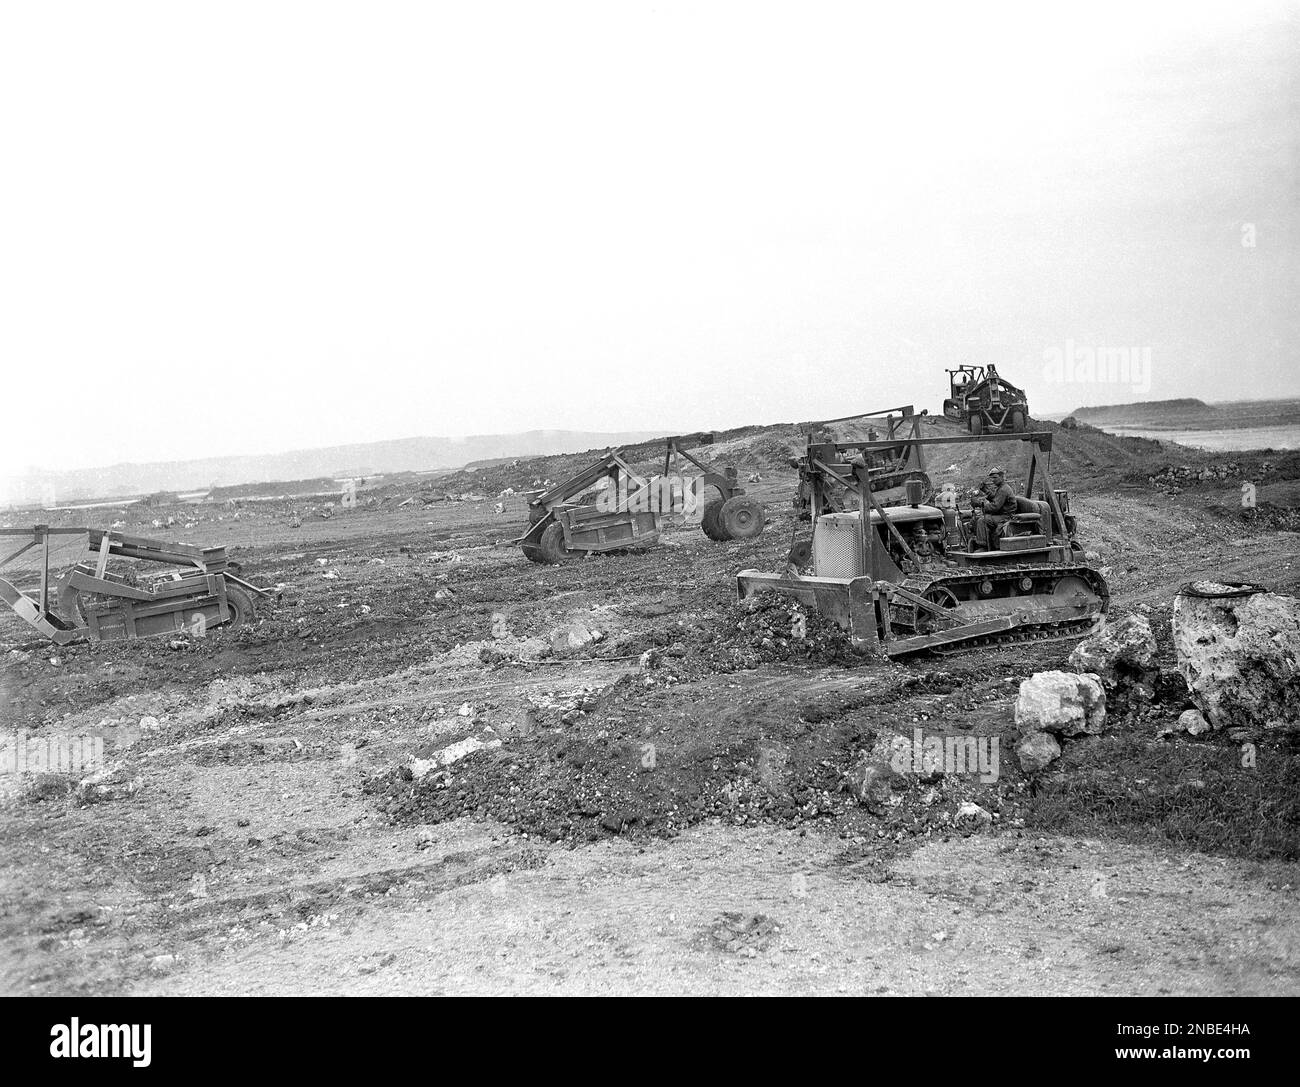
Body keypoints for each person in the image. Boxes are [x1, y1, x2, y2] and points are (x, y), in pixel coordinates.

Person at [971, 467, 1016, 550]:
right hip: (1002, 515)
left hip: (1006, 517)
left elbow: (995, 507)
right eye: (992, 478)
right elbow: (995, 497)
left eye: (995, 477)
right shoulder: (1001, 488)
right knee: (978, 518)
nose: (993, 480)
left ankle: (982, 546)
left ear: (1002, 477)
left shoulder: (1003, 489)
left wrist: (980, 504)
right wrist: (985, 489)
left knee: (982, 520)